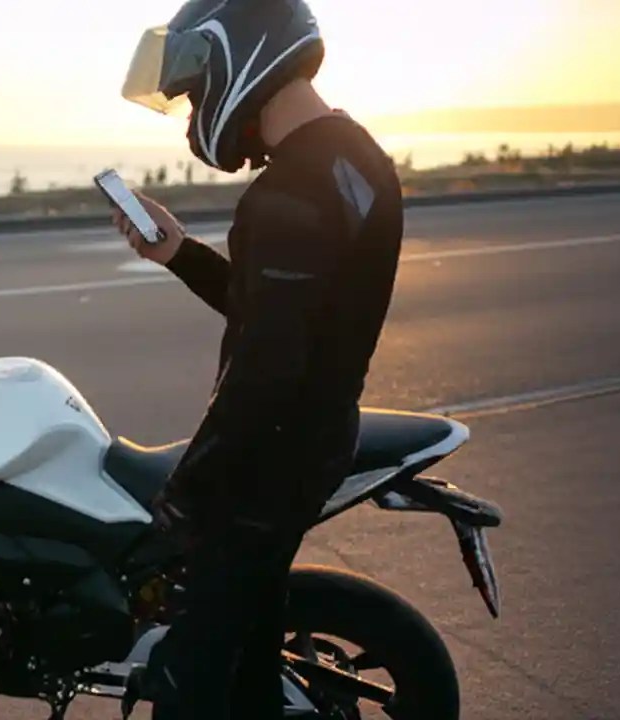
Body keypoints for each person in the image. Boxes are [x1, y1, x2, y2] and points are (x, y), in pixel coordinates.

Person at [110, 1, 405, 718]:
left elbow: (264, 373)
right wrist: (180, 254)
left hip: (263, 472)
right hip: (312, 447)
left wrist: (184, 498)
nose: (194, 113)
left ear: (239, 55)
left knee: (190, 680)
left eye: (196, 88)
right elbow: (283, 319)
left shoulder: (286, 195)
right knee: (248, 658)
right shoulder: (359, 160)